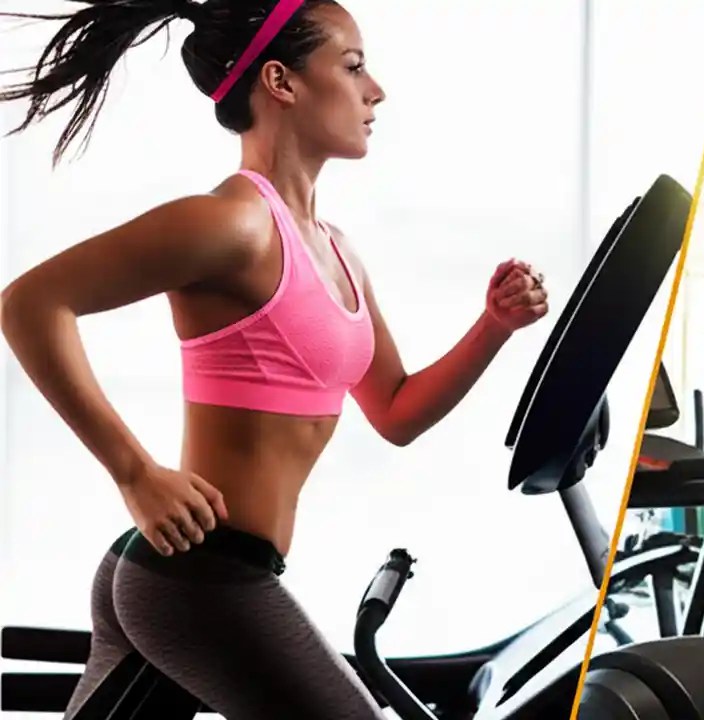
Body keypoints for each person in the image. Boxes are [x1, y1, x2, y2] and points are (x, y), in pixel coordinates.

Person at [0, 1, 550, 717]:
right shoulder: (232, 223)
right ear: (281, 81)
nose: (373, 89)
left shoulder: (337, 250)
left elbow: (396, 411)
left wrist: (494, 326)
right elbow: (29, 305)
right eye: (352, 67)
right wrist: (134, 472)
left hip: (197, 573)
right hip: (199, 575)